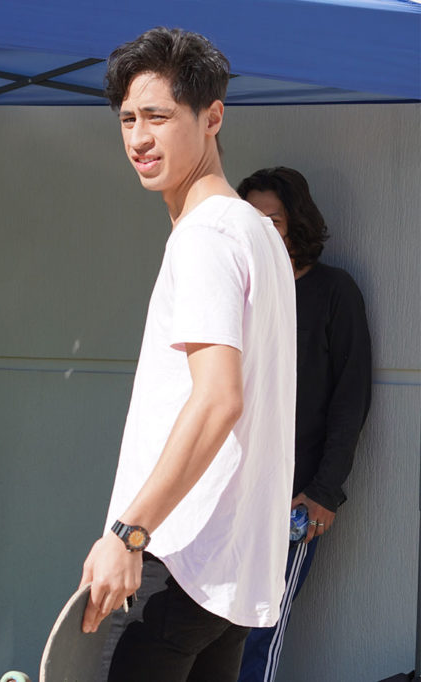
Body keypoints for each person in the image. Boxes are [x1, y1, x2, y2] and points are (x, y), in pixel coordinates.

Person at [78, 28, 297, 681]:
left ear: (212, 118)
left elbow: (218, 398)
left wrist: (129, 534)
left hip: (183, 557)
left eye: (159, 117)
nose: (140, 138)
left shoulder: (205, 237)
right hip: (232, 568)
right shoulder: (258, 233)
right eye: (127, 119)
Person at [235, 167, 372, 682]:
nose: (261, 231)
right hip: (225, 497)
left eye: (273, 220)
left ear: (298, 223)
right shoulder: (237, 293)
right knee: (206, 633)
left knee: (260, 634)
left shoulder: (334, 291)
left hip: (294, 501)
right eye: (250, 220)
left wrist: (323, 492)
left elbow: (351, 399)